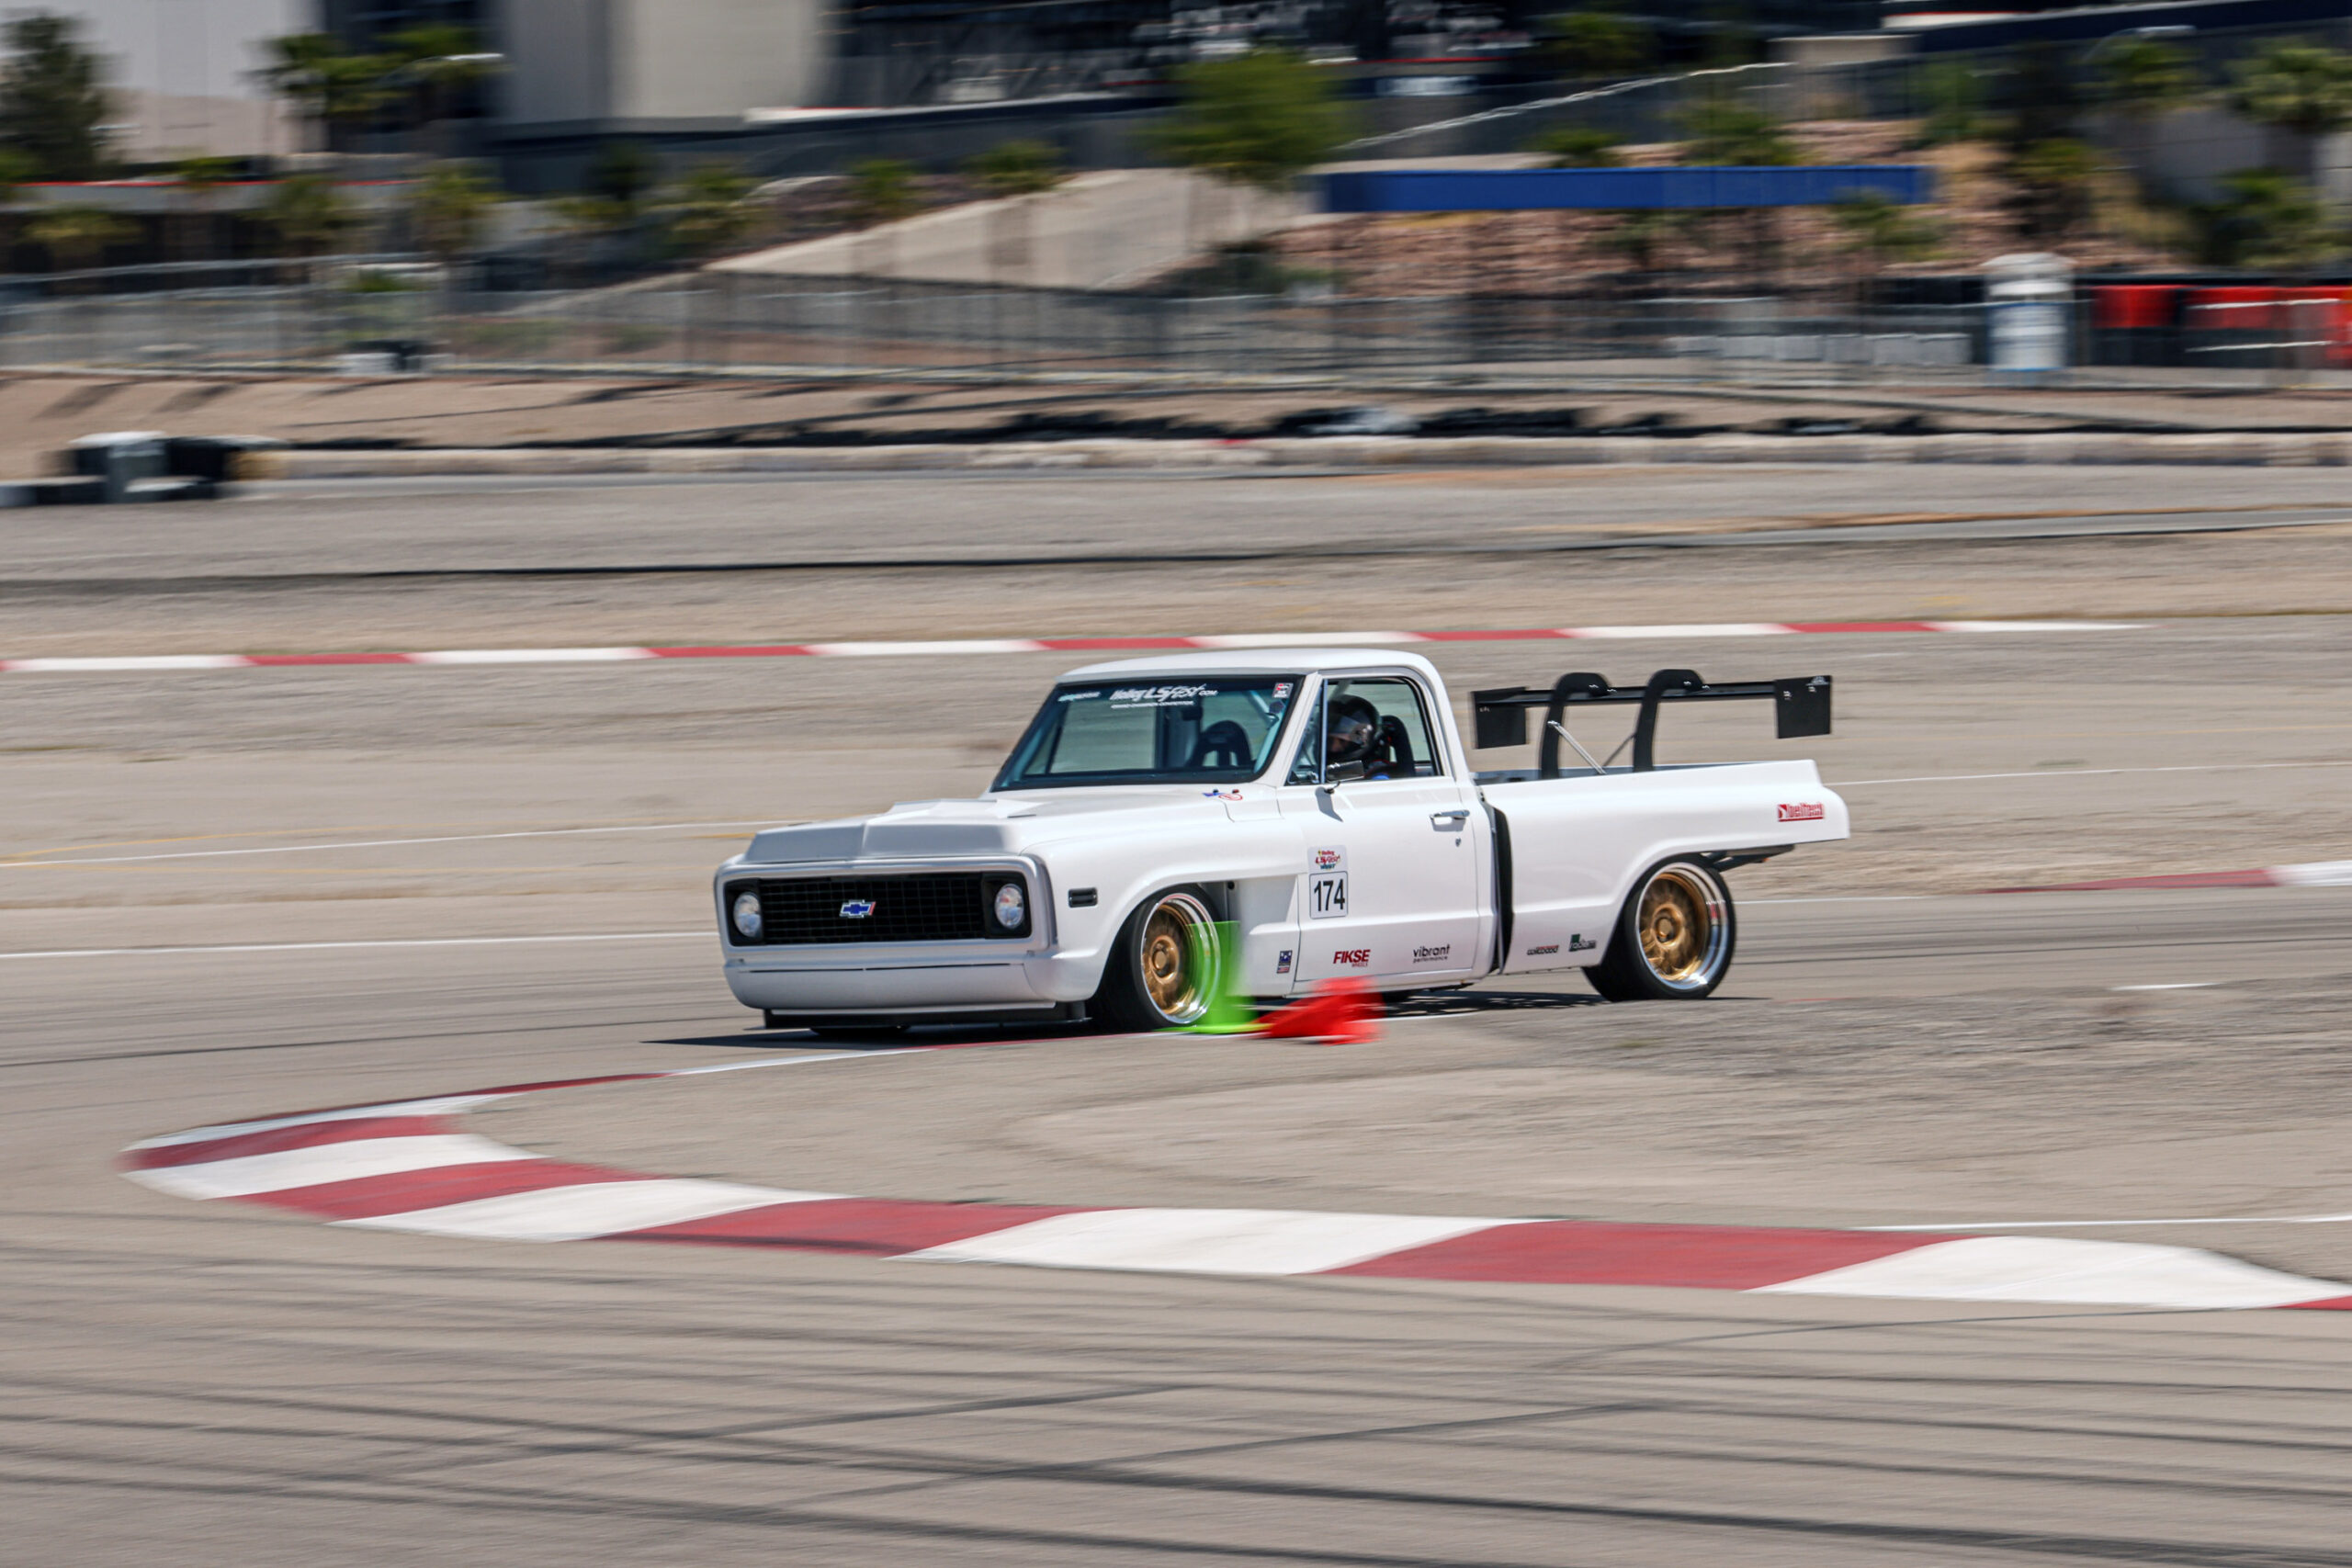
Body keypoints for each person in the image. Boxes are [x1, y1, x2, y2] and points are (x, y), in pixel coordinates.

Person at [1325, 694, 1396, 780]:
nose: (1333, 748)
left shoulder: (1378, 776)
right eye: (1329, 741)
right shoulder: (1317, 769)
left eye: (1342, 741)